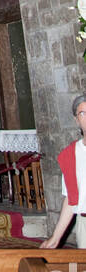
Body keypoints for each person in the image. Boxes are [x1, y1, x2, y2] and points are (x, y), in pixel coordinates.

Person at [41, 92, 86, 249]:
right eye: (82, 113)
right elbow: (71, 199)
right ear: (76, 120)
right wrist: (55, 238)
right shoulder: (70, 155)